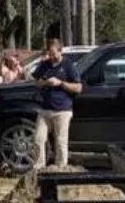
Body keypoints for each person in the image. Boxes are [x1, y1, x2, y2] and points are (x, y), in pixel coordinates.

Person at [31, 38, 83, 169]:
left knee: (60, 141)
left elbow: (78, 87)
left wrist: (61, 83)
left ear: (60, 51)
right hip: (45, 109)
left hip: (62, 110)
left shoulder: (68, 66)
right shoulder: (45, 65)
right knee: (38, 138)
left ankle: (61, 168)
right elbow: (36, 82)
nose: (52, 56)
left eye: (54, 53)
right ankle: (38, 167)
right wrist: (45, 83)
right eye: (50, 53)